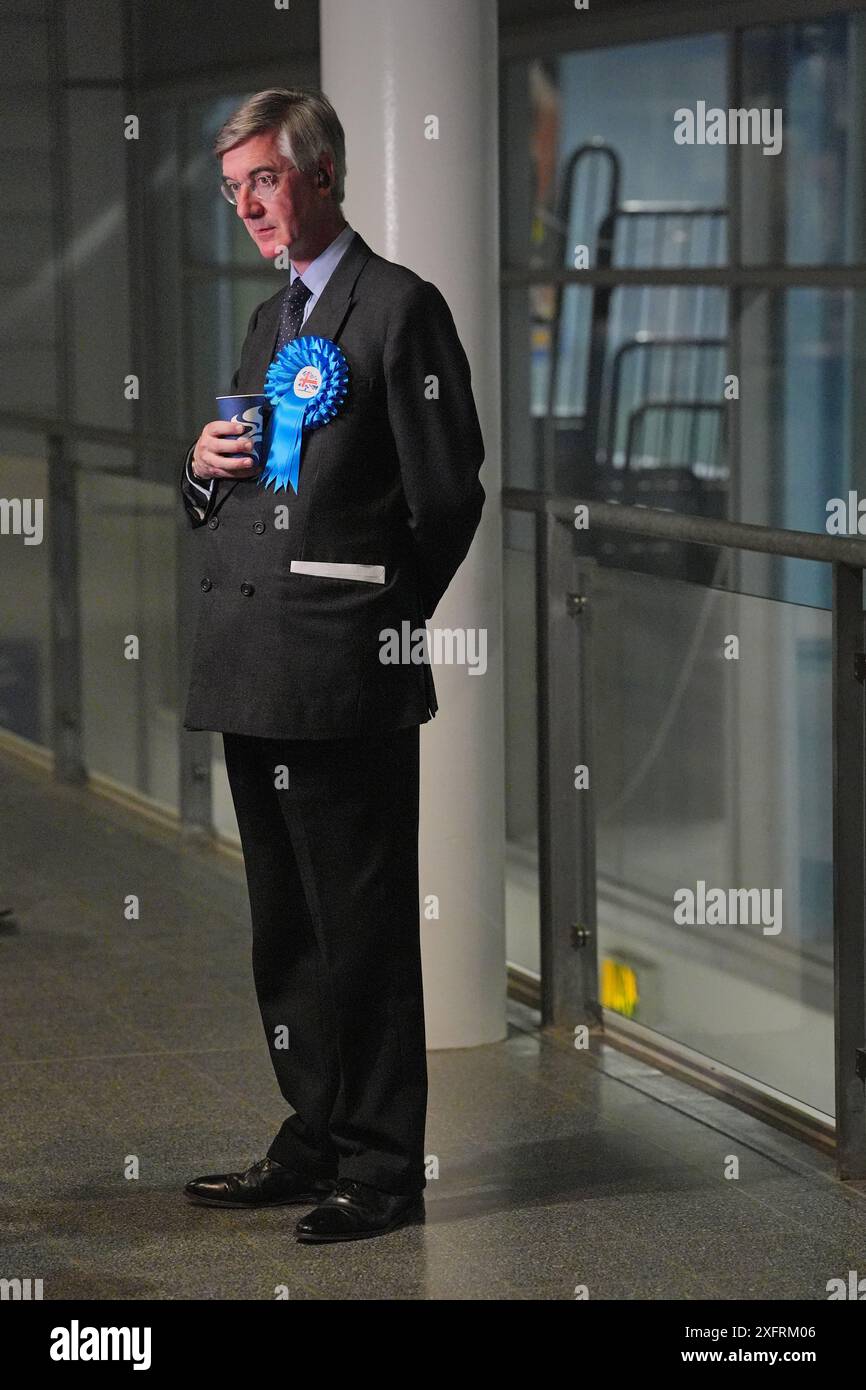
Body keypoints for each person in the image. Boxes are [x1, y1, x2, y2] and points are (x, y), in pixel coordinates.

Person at [179, 88, 485, 1243]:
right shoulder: (272, 321)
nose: (248, 205)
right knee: (286, 927)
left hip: (342, 673)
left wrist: (377, 618)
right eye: (232, 191)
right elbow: (256, 487)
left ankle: (381, 1165)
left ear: (318, 174)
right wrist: (201, 470)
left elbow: (448, 494)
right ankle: (310, 1134)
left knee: (359, 930)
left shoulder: (399, 309)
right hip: (254, 667)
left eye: (262, 179)